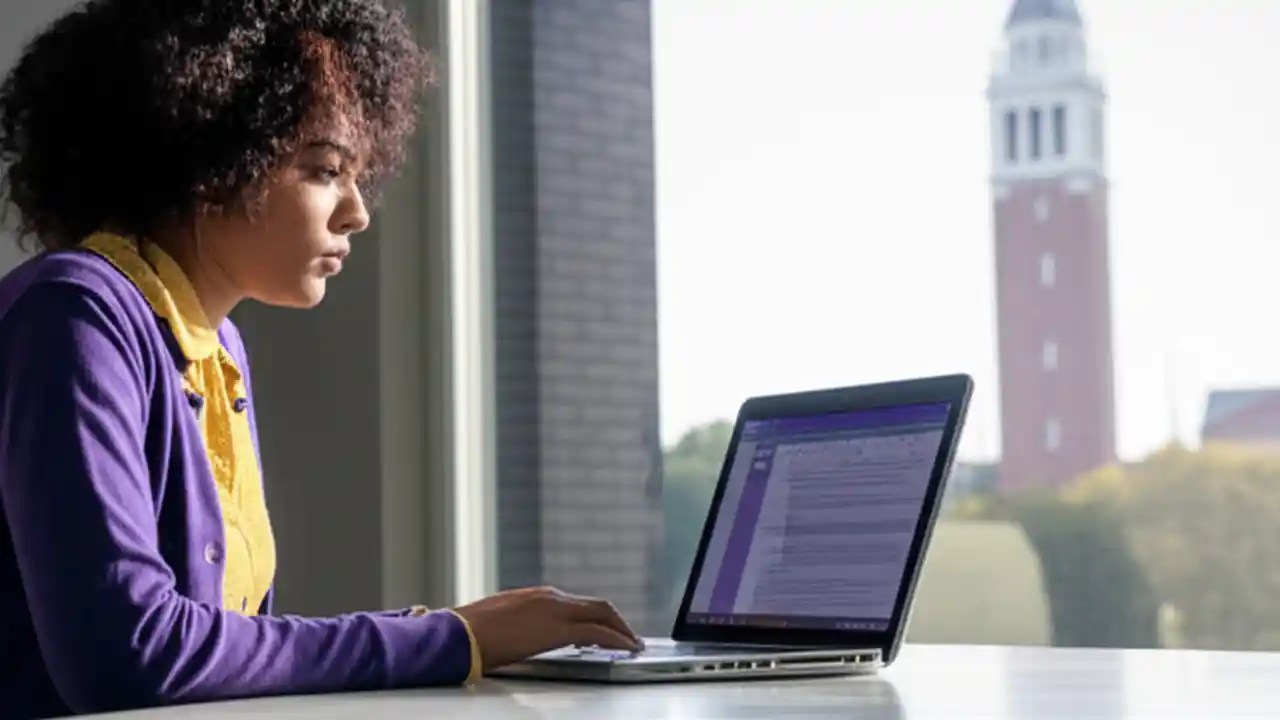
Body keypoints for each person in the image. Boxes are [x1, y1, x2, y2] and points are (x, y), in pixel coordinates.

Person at [0, 1, 641, 716]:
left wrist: (451, 634)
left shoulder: (215, 350)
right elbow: (131, 655)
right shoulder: (75, 312)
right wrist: (452, 638)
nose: (357, 211)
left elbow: (228, 648)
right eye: (325, 170)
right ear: (212, 155)